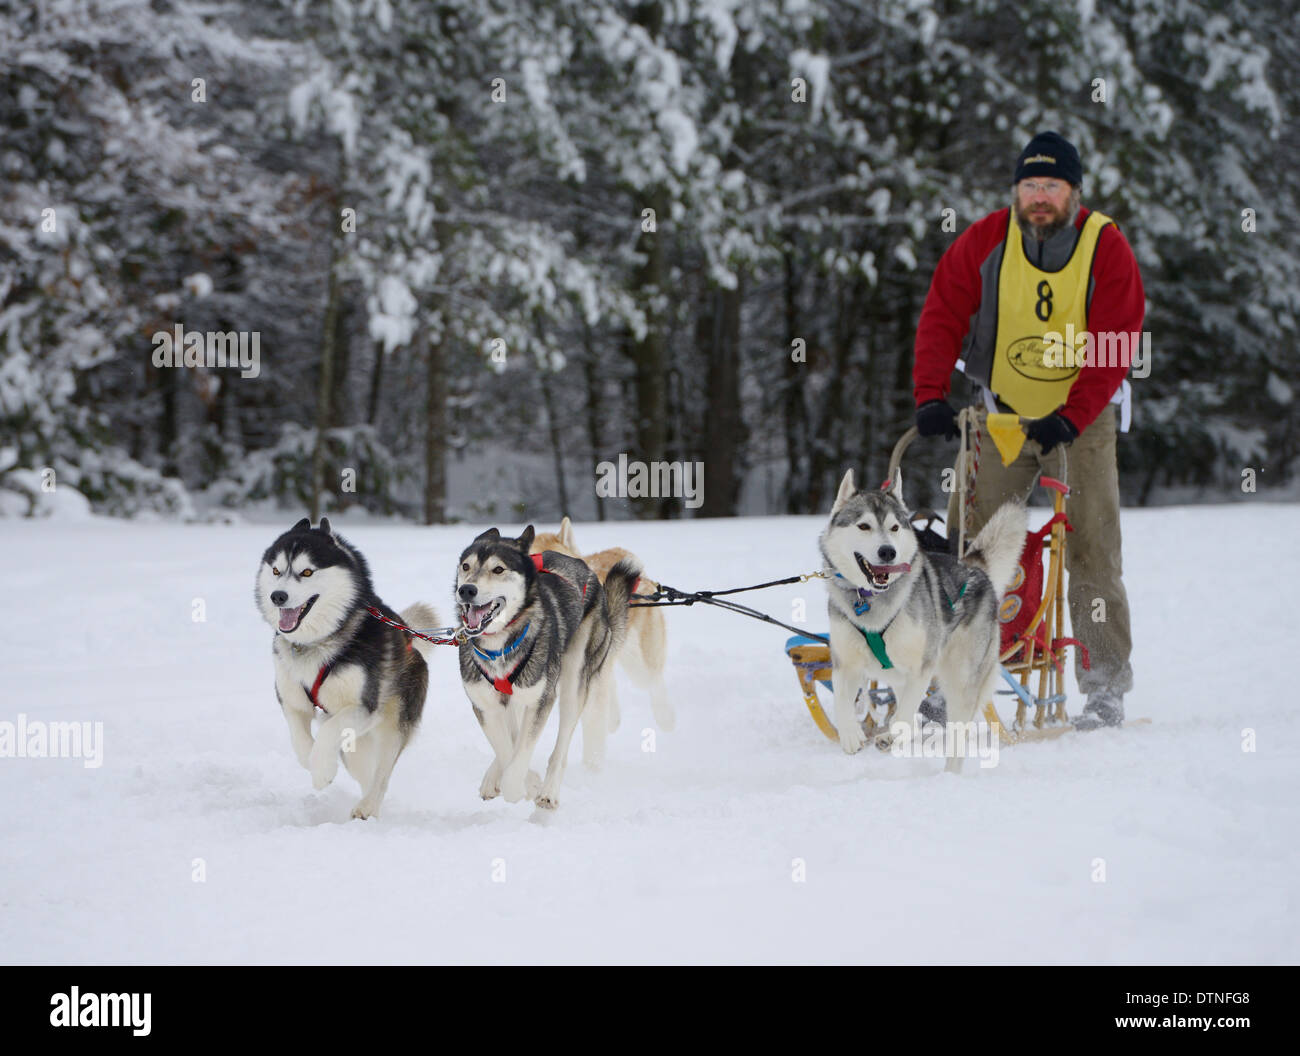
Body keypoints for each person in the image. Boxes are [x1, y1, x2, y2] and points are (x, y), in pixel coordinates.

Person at [911, 131, 1143, 729]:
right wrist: (930, 394)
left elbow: (1117, 339)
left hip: (1080, 421)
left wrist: (1071, 414)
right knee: (972, 547)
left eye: (1052, 186)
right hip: (1002, 414)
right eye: (1030, 185)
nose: (1040, 197)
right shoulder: (988, 239)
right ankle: (950, 677)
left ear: (1075, 193)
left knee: (1091, 550)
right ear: (1016, 191)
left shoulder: (1105, 246)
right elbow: (942, 308)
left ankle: (1104, 685)